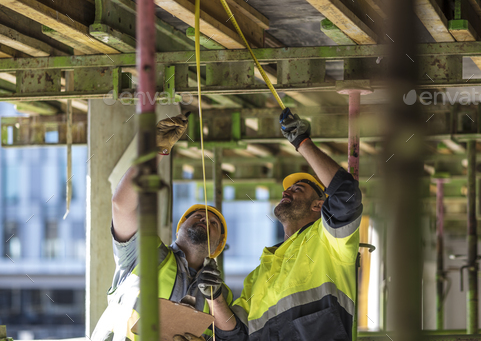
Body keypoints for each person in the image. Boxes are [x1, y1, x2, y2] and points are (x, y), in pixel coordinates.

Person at [202, 110, 364, 341]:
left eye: (298, 189)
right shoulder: (259, 273)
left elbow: (346, 195)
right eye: (288, 189)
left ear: (319, 205)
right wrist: (214, 296)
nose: (286, 191)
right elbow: (235, 335)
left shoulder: (329, 240)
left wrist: (302, 142)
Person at [91, 113, 234, 341]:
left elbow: (232, 336)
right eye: (196, 216)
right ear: (179, 230)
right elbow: (122, 205)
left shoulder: (220, 295)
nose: (205, 219)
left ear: (217, 247)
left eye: (214, 223)